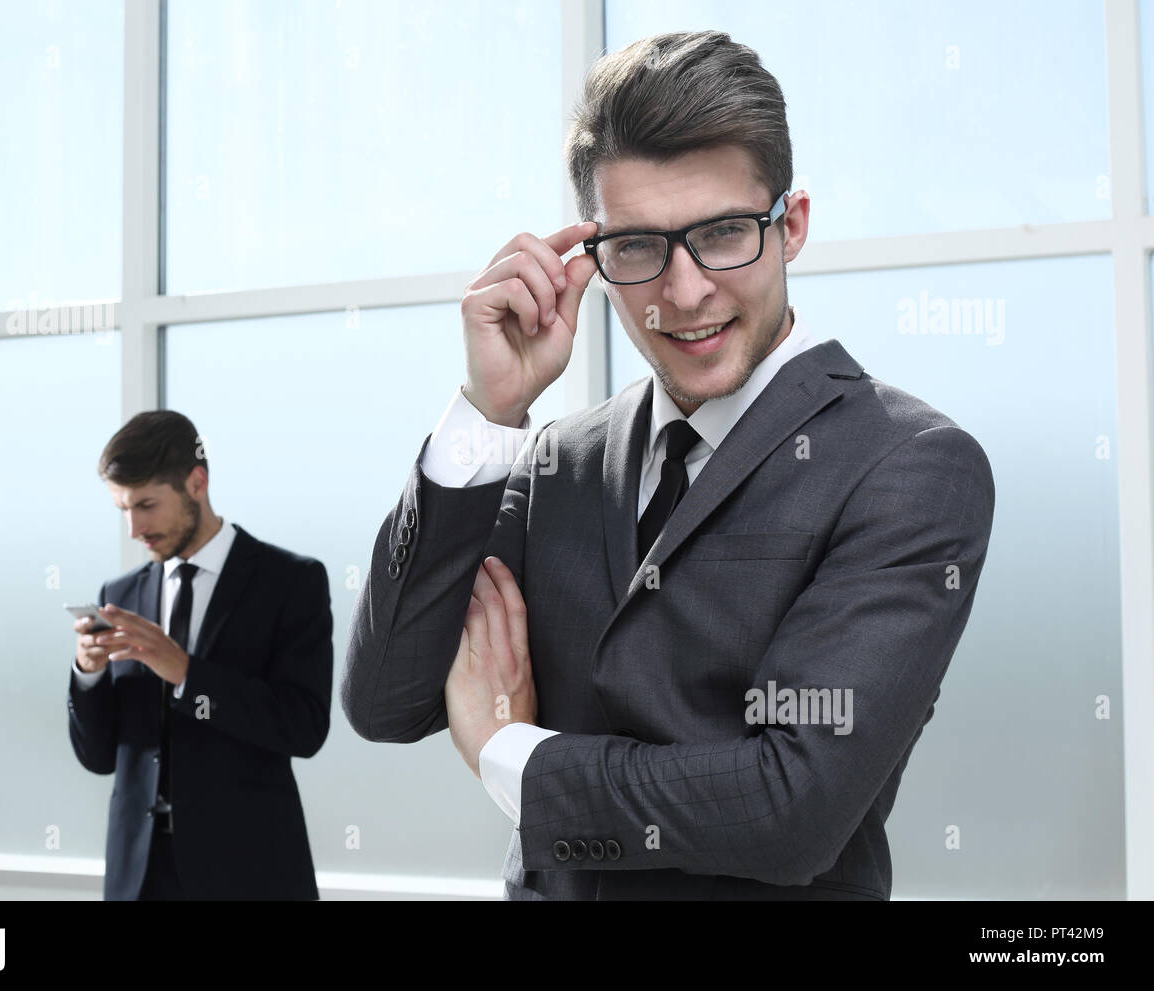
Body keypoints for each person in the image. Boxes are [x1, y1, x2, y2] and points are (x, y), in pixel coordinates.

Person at [342, 30, 995, 900]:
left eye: (724, 233)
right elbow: (387, 699)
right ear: (593, 262)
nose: (684, 292)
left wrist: (509, 752)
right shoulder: (554, 462)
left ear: (790, 226)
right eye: (641, 246)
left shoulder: (908, 465)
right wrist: (489, 411)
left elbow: (791, 809)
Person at [67, 411, 332, 899]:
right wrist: (88, 674)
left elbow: (306, 728)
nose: (134, 529)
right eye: (123, 509)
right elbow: (100, 757)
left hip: (249, 874)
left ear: (196, 482)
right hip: (140, 877)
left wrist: (188, 674)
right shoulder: (120, 594)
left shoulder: (291, 582)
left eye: (145, 505)